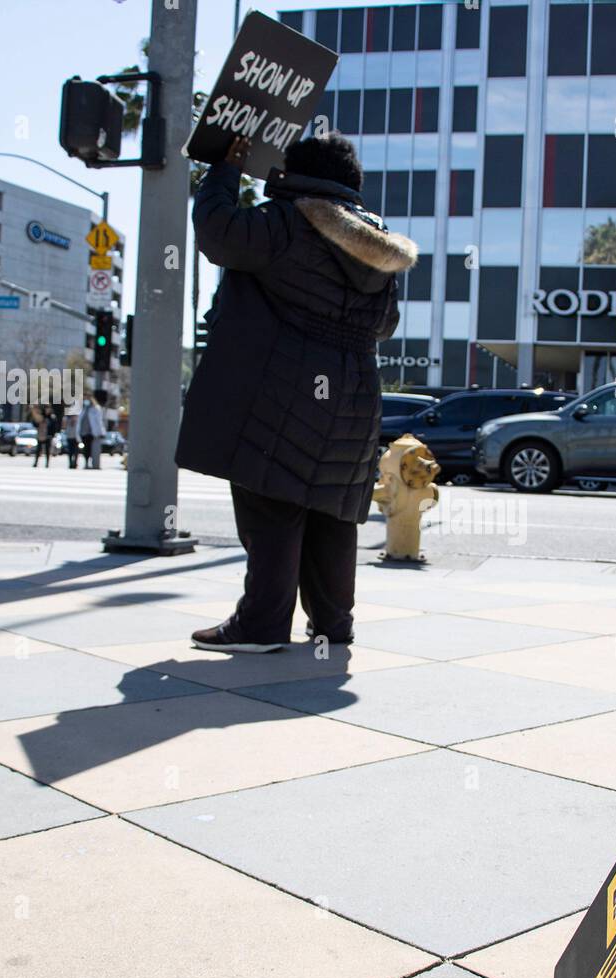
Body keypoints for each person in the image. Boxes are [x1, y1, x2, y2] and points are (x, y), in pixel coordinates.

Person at [176, 131, 416, 653]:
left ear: (296, 173)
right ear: (351, 184)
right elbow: (386, 324)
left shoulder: (285, 222)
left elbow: (217, 233)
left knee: (273, 503)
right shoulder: (376, 241)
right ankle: (333, 624)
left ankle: (260, 626)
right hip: (353, 398)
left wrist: (225, 168)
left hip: (280, 390)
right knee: (332, 510)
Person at [78, 392, 105, 470]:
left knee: (90, 449)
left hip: (91, 432)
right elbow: (79, 421)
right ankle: (86, 462)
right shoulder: (82, 408)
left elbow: (99, 421)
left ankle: (91, 463)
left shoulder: (95, 408)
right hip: (83, 432)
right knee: (85, 449)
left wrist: (101, 431)